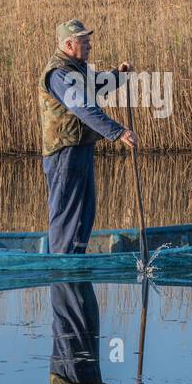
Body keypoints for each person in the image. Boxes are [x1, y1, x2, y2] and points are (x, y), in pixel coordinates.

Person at [38, 19, 137, 254]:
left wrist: (119, 75)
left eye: (88, 40)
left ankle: (77, 256)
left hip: (80, 147)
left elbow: (97, 85)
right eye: (84, 41)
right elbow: (83, 107)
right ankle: (62, 261)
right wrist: (119, 132)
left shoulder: (77, 68)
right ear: (69, 44)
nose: (90, 45)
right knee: (67, 210)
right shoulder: (58, 74)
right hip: (64, 151)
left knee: (85, 209)